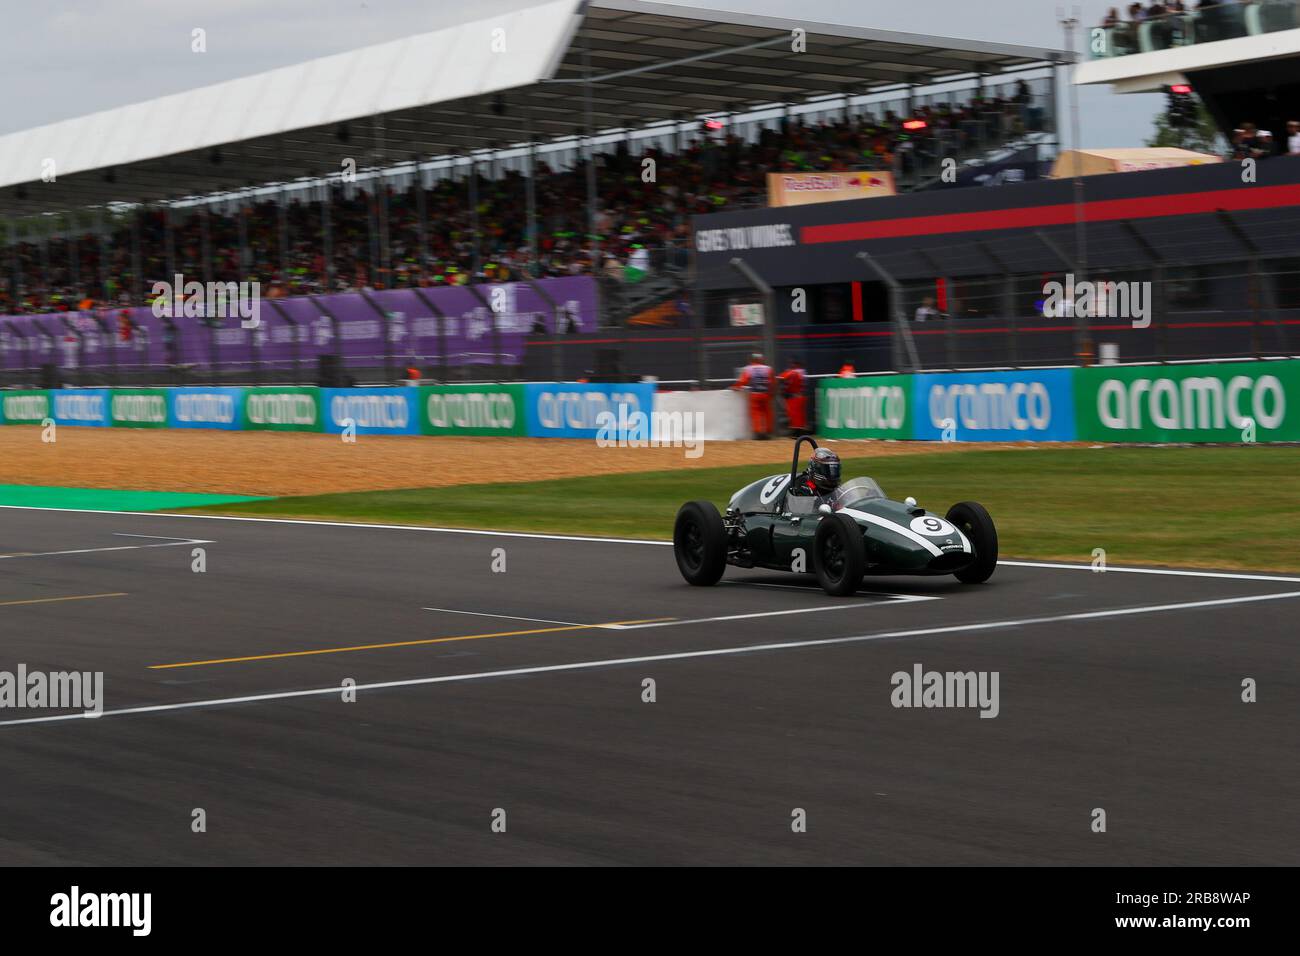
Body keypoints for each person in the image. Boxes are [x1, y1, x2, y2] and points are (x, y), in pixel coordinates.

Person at [733, 351, 774, 439]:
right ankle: (768, 432)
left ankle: (758, 433)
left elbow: (743, 381)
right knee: (767, 413)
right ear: (761, 359)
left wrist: (735, 387)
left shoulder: (748, 368)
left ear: (752, 359)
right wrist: (771, 393)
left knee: (755, 413)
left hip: (755, 394)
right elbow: (772, 382)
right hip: (766, 394)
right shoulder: (768, 368)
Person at [778, 356, 808, 436]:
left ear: (796, 364)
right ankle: (800, 431)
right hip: (801, 396)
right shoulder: (803, 371)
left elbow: (783, 378)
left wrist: (783, 391)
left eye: (793, 363)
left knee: (794, 415)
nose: (791, 365)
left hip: (795, 397)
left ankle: (797, 433)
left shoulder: (794, 372)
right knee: (800, 416)